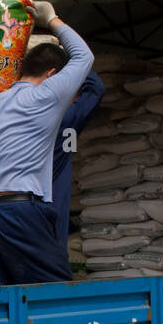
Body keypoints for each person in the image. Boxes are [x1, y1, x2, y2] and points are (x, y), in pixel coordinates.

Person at [0, 0, 95, 287]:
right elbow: (84, 58)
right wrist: (52, 19)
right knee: (56, 295)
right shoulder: (46, 95)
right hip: (20, 213)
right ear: (52, 75)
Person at [52, 69, 105, 255]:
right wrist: (72, 60)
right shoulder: (67, 119)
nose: (76, 100)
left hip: (45, 213)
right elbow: (96, 89)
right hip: (49, 214)